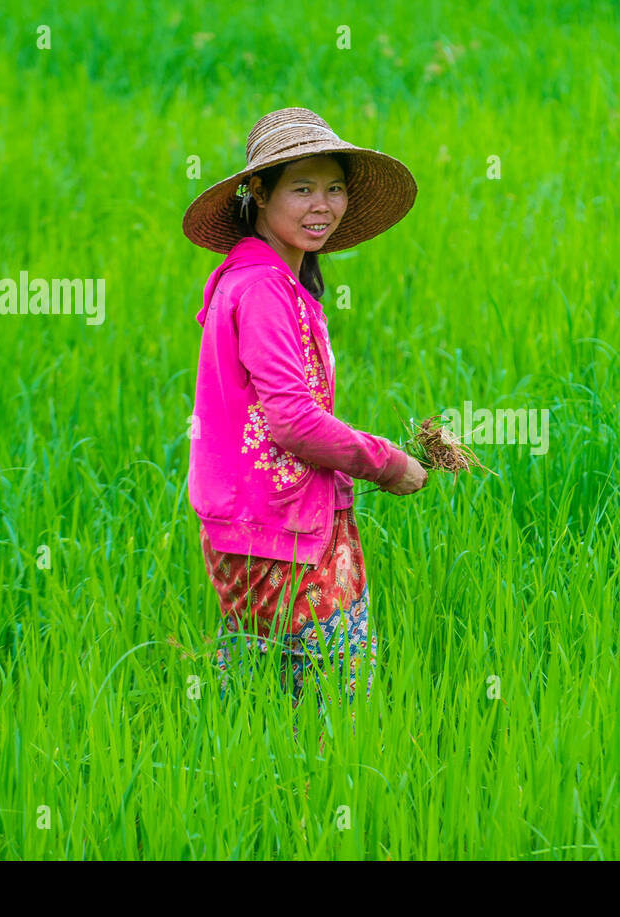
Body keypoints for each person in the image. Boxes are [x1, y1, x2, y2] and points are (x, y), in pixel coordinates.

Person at [182, 107, 427, 738]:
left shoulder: (260, 279)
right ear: (258, 192)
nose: (324, 205)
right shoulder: (262, 287)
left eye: (335, 187)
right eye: (302, 187)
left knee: (259, 702)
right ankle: (325, 813)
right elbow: (293, 421)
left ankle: (262, 809)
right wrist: (387, 462)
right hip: (280, 524)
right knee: (338, 709)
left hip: (258, 521)